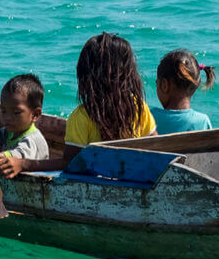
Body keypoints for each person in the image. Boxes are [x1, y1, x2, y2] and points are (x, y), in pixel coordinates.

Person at [60, 33, 157, 162]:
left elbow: (69, 164)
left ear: (85, 75)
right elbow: (157, 148)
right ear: (129, 73)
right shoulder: (138, 107)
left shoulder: (81, 116)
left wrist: (28, 164)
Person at [0, 74, 51, 178]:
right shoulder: (7, 132)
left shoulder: (32, 140)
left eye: (16, 112)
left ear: (35, 114)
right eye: (3, 111)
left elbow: (18, 155)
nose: (7, 117)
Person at [153, 49, 217, 135]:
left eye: (156, 83)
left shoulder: (149, 118)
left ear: (164, 85)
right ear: (195, 86)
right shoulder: (202, 122)